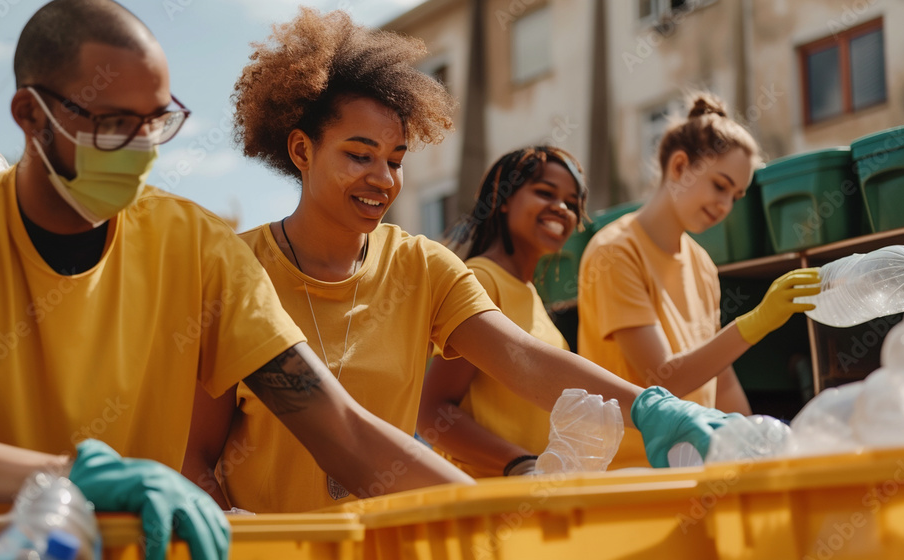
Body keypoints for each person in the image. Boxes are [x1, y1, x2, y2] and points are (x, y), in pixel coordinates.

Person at [0, 1, 472, 558]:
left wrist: (490, 517)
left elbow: (341, 431)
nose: (142, 148)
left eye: (156, 121)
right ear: (31, 115)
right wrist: (62, 476)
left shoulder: (197, 249)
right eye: (116, 124)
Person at [189, 8, 744, 514]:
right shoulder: (237, 270)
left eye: (395, 160)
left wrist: (653, 409)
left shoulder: (422, 268)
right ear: (302, 150)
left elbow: (524, 359)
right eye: (359, 155)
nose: (383, 179)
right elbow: (197, 456)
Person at [578, 93, 821, 468]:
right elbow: (663, 380)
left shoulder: (702, 264)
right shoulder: (614, 252)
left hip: (693, 468)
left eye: (736, 196)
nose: (726, 206)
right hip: (630, 474)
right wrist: (758, 321)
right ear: (679, 166)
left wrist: (753, 449)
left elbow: (721, 380)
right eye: (720, 186)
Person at [417, 146, 587, 478]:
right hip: (487, 497)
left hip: (534, 494)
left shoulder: (530, 293)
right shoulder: (480, 280)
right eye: (545, 193)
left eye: (572, 203)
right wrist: (521, 464)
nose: (561, 209)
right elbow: (432, 414)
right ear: (504, 199)